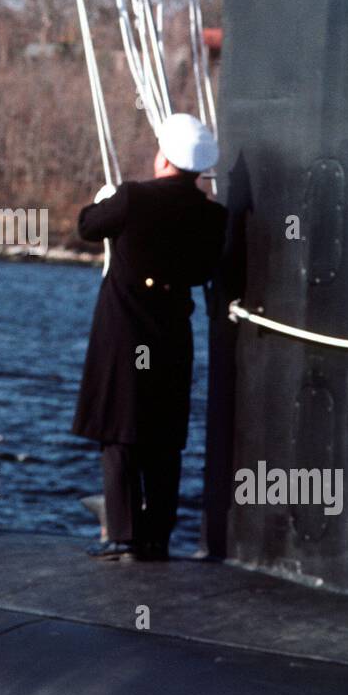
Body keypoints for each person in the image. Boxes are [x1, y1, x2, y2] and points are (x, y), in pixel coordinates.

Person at [72, 113, 226, 562]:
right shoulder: (213, 216)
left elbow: (87, 227)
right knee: (163, 435)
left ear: (164, 158)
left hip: (124, 334)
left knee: (120, 434)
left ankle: (122, 534)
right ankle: (157, 535)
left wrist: (103, 200)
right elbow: (203, 270)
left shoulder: (133, 198)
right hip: (172, 334)